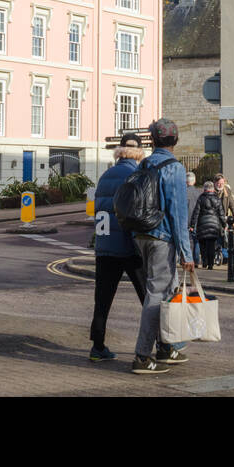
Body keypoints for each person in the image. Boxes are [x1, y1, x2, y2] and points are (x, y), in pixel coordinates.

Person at [131, 118, 195, 375]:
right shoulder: (175, 168)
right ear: (175, 140)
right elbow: (178, 214)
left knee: (165, 291)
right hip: (162, 238)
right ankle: (142, 356)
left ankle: (166, 348)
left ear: (154, 140)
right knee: (157, 295)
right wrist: (187, 254)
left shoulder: (145, 164)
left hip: (141, 235)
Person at [88, 132, 147, 362]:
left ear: (120, 152)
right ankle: (160, 343)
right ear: (139, 153)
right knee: (147, 298)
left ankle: (97, 346)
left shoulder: (105, 176)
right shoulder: (136, 175)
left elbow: (98, 210)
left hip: (105, 246)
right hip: (129, 246)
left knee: (102, 300)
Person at [190, 180, 226, 270]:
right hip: (214, 225)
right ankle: (210, 264)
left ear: (204, 189)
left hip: (202, 225)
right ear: (213, 189)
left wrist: (192, 225)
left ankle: (205, 262)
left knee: (202, 245)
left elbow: (196, 212)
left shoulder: (201, 198)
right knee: (211, 245)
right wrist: (224, 224)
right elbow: (221, 213)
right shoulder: (217, 198)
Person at [185, 170, 202, 266]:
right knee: (196, 241)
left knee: (187, 241)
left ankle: (187, 260)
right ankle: (196, 261)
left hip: (186, 220)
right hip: (196, 220)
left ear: (185, 181)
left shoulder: (182, 192)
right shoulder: (199, 193)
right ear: (194, 181)